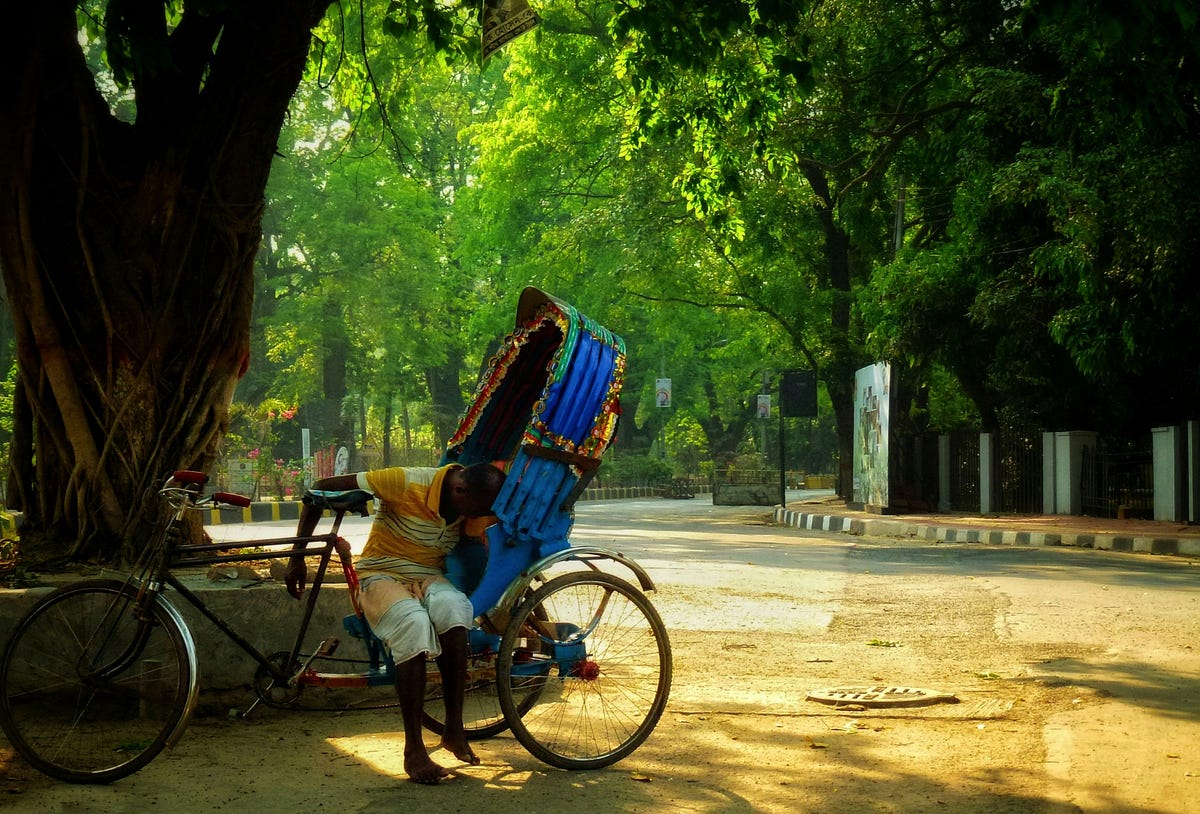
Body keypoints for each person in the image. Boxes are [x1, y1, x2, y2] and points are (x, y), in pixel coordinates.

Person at [285, 461, 506, 784]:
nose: (479, 516)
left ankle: (454, 729)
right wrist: (297, 556)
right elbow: (319, 487)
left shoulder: (472, 498)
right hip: (380, 575)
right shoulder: (405, 481)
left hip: (429, 577)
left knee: (456, 609)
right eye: (478, 509)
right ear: (460, 490)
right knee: (414, 623)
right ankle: (414, 749)